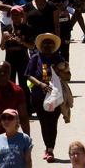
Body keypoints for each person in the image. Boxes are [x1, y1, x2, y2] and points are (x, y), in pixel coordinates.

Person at [26, 32, 68, 161]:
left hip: (56, 97)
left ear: (54, 45)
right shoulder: (35, 58)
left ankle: (50, 149)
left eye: (50, 43)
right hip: (39, 97)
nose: (47, 46)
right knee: (44, 123)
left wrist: (60, 71)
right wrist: (40, 84)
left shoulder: (59, 59)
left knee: (53, 123)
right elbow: (29, 75)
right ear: (40, 46)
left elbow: (68, 76)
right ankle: (47, 146)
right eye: (45, 43)